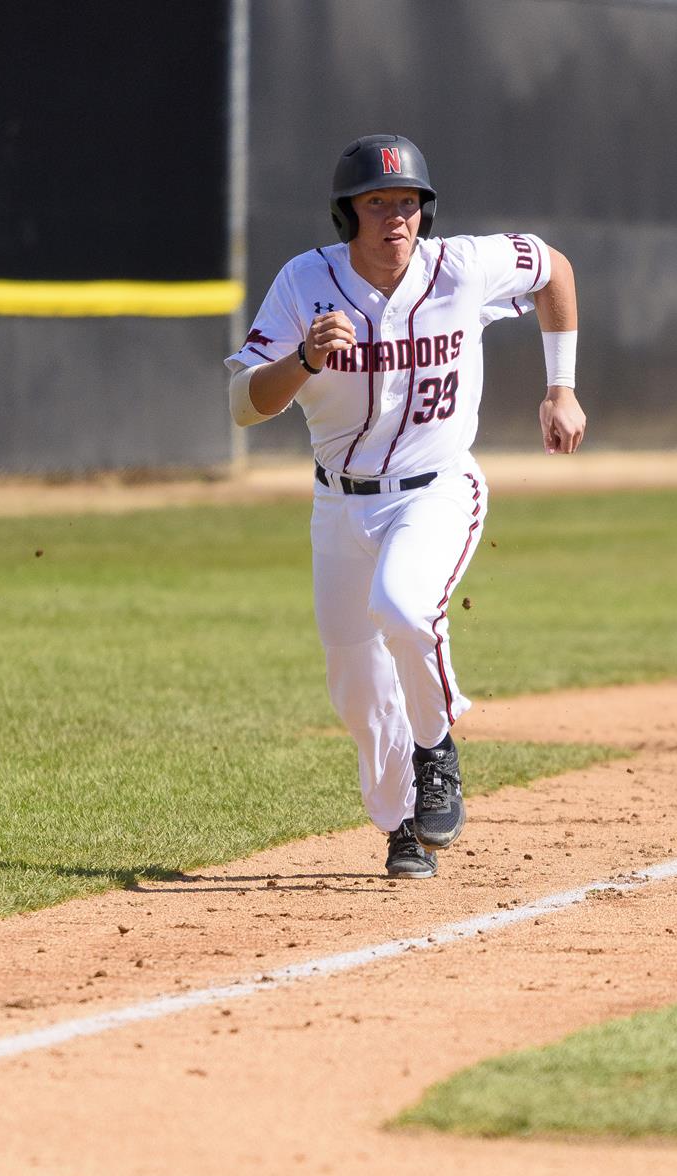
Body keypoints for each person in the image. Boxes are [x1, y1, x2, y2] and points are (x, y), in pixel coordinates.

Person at [226, 134, 586, 879]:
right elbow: (242, 405)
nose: (397, 216)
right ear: (347, 213)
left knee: (402, 606)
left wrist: (561, 387)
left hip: (437, 489)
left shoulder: (459, 267)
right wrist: (302, 363)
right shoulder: (305, 283)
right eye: (377, 202)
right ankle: (401, 828)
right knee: (357, 692)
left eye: (408, 202)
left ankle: (438, 749)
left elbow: (554, 268)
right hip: (338, 506)